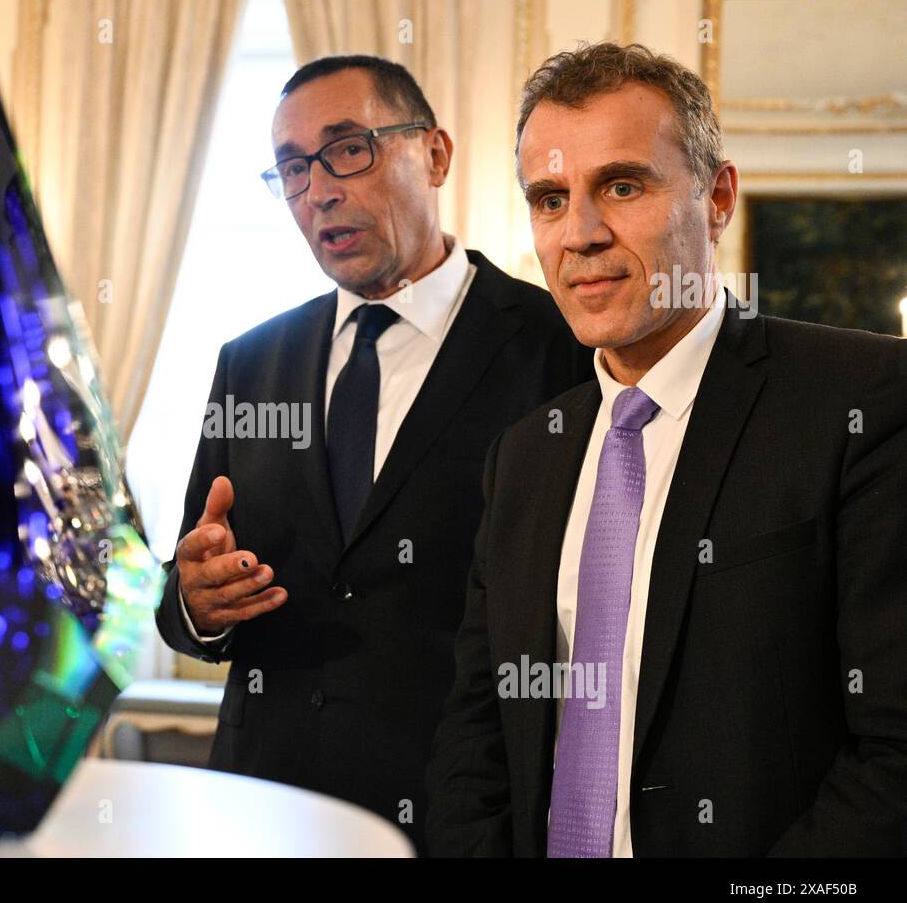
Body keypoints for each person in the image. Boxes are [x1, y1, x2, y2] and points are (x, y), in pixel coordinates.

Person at [427, 42, 907, 856]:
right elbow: (478, 732)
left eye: (622, 186)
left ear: (717, 196)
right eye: (549, 198)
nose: (579, 233)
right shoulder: (524, 458)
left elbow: (895, 758)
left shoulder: (863, 401)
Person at [155, 54, 591, 852]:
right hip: (262, 809)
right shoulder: (249, 362)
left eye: (347, 148)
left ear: (434, 154)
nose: (317, 188)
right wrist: (195, 602)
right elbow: (185, 593)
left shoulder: (556, 348)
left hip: (461, 820)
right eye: (291, 168)